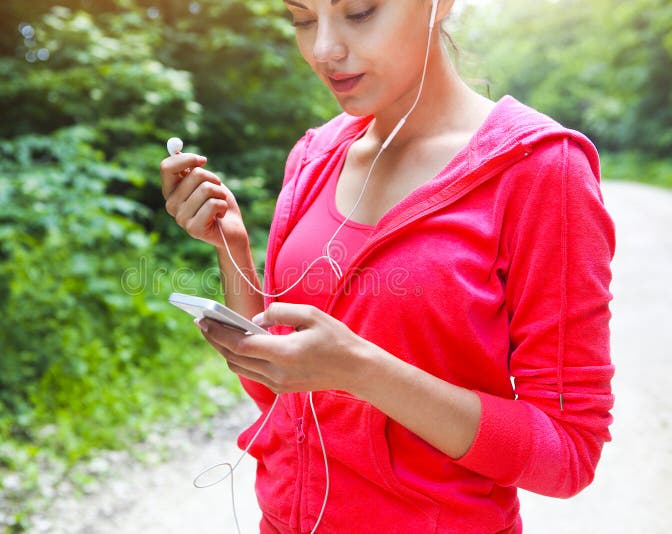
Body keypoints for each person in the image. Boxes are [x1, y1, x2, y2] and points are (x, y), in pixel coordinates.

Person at [159, 0, 615, 532]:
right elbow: (281, 394)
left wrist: (359, 370)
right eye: (302, 19)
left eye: (359, 11)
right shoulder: (312, 158)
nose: (323, 49)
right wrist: (232, 248)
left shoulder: (541, 170)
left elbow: (567, 455)